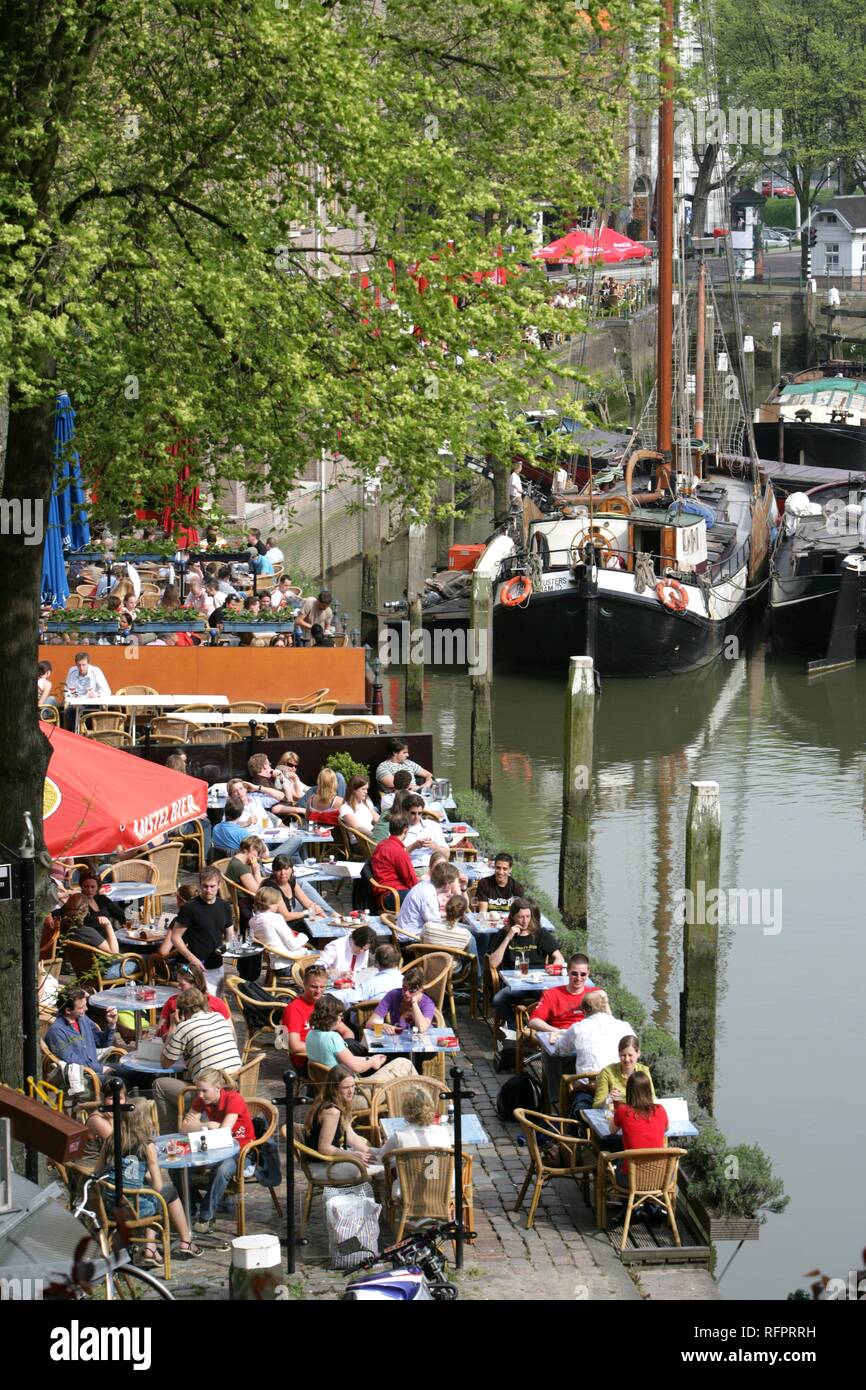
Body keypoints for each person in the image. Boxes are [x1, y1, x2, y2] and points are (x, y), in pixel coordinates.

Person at [99, 1104, 202, 1261]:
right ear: (144, 1121)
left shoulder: (111, 1141)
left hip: (110, 1206)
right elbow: (158, 1187)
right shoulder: (147, 1145)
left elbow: (97, 1171)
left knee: (148, 1194)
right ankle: (186, 1241)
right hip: (135, 1208)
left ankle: (151, 1249)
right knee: (169, 1193)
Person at [154, 989, 242, 1132]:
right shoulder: (218, 1017)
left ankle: (169, 1136)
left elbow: (165, 1063)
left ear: (181, 1011)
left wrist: (173, 1026)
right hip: (236, 1083)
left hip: (210, 1091)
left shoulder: (184, 1028)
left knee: (159, 1085)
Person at [181, 1068, 257, 1233]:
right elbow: (183, 1128)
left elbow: (223, 1133)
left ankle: (205, 1216)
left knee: (222, 1169)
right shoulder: (202, 1099)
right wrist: (206, 1125)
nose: (200, 1095)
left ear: (218, 1088)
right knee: (179, 1167)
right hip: (213, 1148)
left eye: (204, 1091)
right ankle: (195, 1205)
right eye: (198, 1090)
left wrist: (200, 1127)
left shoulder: (233, 1098)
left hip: (241, 1150)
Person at [487, 897, 564, 1024]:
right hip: (514, 984)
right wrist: (508, 938)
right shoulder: (503, 934)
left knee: (551, 998)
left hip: (538, 982)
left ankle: (538, 1027)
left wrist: (553, 969)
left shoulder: (540, 934)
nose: (525, 921)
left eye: (528, 916)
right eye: (520, 917)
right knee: (498, 1000)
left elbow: (559, 957)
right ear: (512, 917)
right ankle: (516, 1028)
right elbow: (493, 963)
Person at [305, 995, 412, 1082]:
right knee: (405, 1063)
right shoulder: (333, 1038)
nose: (341, 1019)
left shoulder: (310, 1035)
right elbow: (357, 1068)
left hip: (327, 1088)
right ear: (332, 1016)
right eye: (340, 1015)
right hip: (355, 1091)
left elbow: (348, 1059)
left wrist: (370, 1059)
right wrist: (373, 1063)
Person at [157, 868, 233, 991]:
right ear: (199, 884)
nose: (208, 890)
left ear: (219, 885)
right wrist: (192, 958)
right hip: (193, 967)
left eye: (212, 886)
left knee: (213, 1004)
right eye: (205, 886)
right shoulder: (189, 907)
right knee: (192, 1005)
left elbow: (229, 934)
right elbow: (175, 937)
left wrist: (230, 948)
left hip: (215, 964)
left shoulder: (224, 906)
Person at [304, 1066, 381, 1174]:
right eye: (345, 1087)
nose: (351, 1091)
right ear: (334, 1089)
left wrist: (374, 1152)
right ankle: (376, 1189)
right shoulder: (332, 1111)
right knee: (382, 1167)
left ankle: (374, 1188)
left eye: (353, 1086)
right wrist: (353, 1155)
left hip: (329, 1159)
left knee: (382, 1160)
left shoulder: (338, 1103)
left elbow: (350, 1135)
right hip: (323, 1165)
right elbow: (324, 1148)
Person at [45, 988, 119, 1084]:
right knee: (120, 1082)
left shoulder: (82, 1019)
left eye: (85, 1005)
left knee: (135, 1073)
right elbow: (73, 1062)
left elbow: (102, 1042)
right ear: (68, 1010)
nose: (86, 1009)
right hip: (82, 1077)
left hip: (95, 1068)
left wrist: (111, 1024)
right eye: (81, 1007)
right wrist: (100, 1069)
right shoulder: (57, 1032)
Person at [548, 989, 633, 1069]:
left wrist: (555, 1037)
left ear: (584, 1011)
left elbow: (560, 1050)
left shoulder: (577, 1028)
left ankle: (551, 1084)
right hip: (618, 1081)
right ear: (604, 1007)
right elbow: (634, 1048)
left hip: (588, 1082)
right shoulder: (624, 1025)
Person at [378, 1084, 452, 1169]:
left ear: (405, 1110)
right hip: (445, 1181)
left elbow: (382, 1158)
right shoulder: (443, 1131)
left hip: (408, 1182)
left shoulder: (399, 1136)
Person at [527, 953, 598, 1038]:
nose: (578, 978)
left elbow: (607, 1020)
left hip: (589, 1038)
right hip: (561, 1038)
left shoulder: (596, 994)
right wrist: (558, 1031)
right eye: (574, 974)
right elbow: (533, 1021)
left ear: (588, 973)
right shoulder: (552, 994)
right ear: (568, 971)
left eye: (583, 974)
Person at [154, 963, 232, 1037]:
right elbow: (159, 1030)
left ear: (195, 984)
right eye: (178, 983)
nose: (178, 987)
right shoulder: (172, 1001)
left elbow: (230, 1031)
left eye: (182, 984)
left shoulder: (216, 1003)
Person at [281, 964, 333, 1073]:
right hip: (308, 1061)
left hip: (328, 1054)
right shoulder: (294, 1009)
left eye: (322, 987)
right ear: (304, 985)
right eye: (314, 987)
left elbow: (347, 1031)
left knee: (356, 1049)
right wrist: (326, 1048)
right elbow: (295, 1046)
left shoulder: (324, 1004)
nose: (318, 991)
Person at [612, 1072, 668, 1171]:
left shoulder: (623, 1110)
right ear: (649, 1090)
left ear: (629, 1091)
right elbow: (667, 1128)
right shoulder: (660, 1109)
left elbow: (612, 1130)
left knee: (615, 1161)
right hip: (659, 1177)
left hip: (631, 1178)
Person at [249, 884, 310, 969]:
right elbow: (293, 945)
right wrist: (304, 936)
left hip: (274, 964)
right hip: (290, 964)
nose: (278, 905)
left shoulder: (252, 921)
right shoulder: (276, 918)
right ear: (270, 904)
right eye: (277, 903)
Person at [398, 859, 460, 936]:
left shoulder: (426, 886)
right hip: (413, 938)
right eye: (455, 883)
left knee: (468, 931)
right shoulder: (427, 893)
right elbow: (435, 924)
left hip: (416, 931)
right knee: (470, 938)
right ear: (447, 884)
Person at [261, 853, 329, 921]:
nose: (282, 873)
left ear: (291, 869)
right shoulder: (271, 887)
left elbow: (307, 903)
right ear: (273, 871)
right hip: (280, 924)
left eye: (286, 868)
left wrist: (319, 912)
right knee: (315, 920)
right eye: (279, 870)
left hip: (292, 920)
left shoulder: (291, 881)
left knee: (320, 916)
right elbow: (285, 916)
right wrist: (308, 912)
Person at [593, 1035, 655, 1109]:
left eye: (630, 1055)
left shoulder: (644, 1070)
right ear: (618, 1054)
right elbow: (596, 1106)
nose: (627, 1059)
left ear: (638, 1053)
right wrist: (609, 1098)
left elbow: (652, 1099)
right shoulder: (607, 1072)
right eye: (623, 1055)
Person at [369, 813, 418, 905]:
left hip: (382, 893)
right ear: (406, 830)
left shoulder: (381, 845)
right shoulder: (399, 851)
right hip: (393, 895)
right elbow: (411, 881)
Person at [370, 969, 436, 1035]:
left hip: (422, 1040)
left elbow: (422, 1029)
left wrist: (414, 1003)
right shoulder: (393, 995)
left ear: (421, 990)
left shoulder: (427, 1003)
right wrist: (382, 1026)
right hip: (399, 1040)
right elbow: (370, 1023)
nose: (406, 993)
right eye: (404, 988)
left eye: (412, 990)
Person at [225, 835, 266, 933]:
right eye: (257, 853)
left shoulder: (238, 861)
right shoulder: (240, 867)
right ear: (252, 848)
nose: (258, 857)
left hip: (245, 899)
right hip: (248, 903)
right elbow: (258, 891)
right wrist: (256, 872)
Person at [401, 795, 448, 872]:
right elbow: (396, 857)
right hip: (411, 868)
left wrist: (434, 847)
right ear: (405, 812)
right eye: (413, 813)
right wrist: (414, 846)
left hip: (433, 867)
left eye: (419, 813)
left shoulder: (433, 826)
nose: (417, 817)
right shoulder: (399, 828)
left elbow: (447, 854)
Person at [339, 774, 380, 842]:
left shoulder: (366, 803)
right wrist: (375, 837)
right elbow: (357, 827)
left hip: (372, 837)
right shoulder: (346, 808)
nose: (366, 792)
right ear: (354, 790)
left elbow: (378, 819)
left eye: (367, 789)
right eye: (363, 789)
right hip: (361, 842)